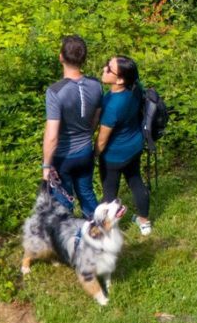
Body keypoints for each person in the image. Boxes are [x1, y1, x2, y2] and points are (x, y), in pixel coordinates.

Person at [42, 34, 103, 216]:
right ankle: (100, 235)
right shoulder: (96, 85)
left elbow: (52, 135)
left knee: (63, 201)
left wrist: (46, 167)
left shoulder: (55, 91)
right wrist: (87, 135)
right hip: (85, 151)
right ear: (84, 58)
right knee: (87, 194)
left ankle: (68, 239)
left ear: (61, 57)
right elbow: (96, 118)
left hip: (63, 156)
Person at [96, 54, 152, 236]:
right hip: (134, 146)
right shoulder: (135, 87)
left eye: (108, 69)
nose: (104, 69)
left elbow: (102, 140)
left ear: (119, 79)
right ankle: (144, 222)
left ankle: (106, 231)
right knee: (136, 182)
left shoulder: (112, 104)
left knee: (109, 195)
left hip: (114, 156)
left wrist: (94, 154)